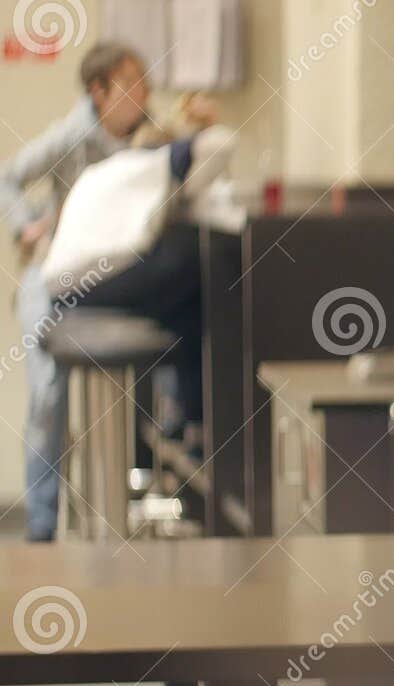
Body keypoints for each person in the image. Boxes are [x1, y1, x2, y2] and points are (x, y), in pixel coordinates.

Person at [1, 42, 215, 540]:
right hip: (57, 267)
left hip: (117, 270)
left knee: (176, 322)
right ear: (99, 92)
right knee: (47, 393)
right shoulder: (71, 136)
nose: (144, 90)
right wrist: (28, 225)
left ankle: (172, 465)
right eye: (131, 82)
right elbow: (9, 176)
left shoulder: (150, 132)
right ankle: (40, 530)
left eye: (144, 80)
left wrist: (199, 128)